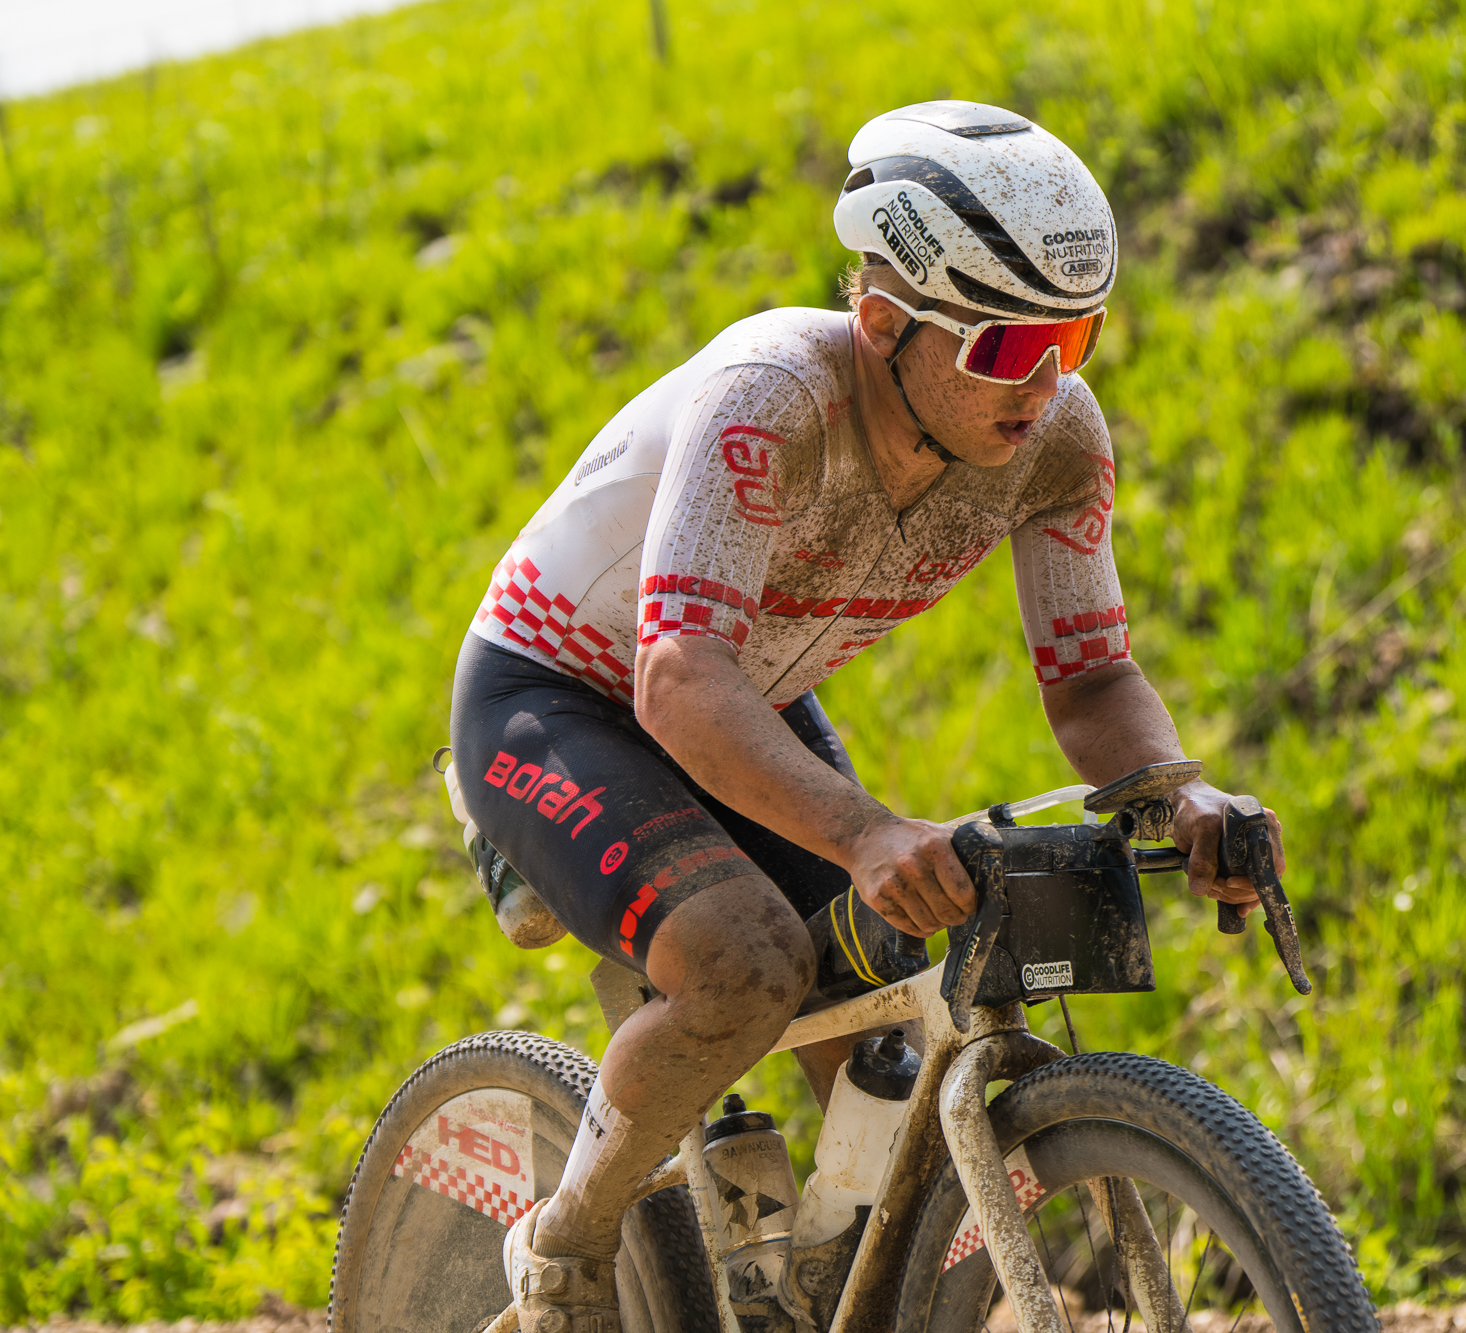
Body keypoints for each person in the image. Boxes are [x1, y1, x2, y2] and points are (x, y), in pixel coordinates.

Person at [448, 99, 1285, 1321]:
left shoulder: (1055, 437)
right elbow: (674, 676)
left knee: (875, 1047)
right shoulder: (772, 395)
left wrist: (1177, 790)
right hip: (563, 693)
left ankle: (822, 1267)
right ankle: (563, 1249)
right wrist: (864, 833)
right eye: (1006, 350)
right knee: (747, 966)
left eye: (1076, 337)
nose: (1044, 384)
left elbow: (1093, 679)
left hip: (744, 692)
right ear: (884, 324)